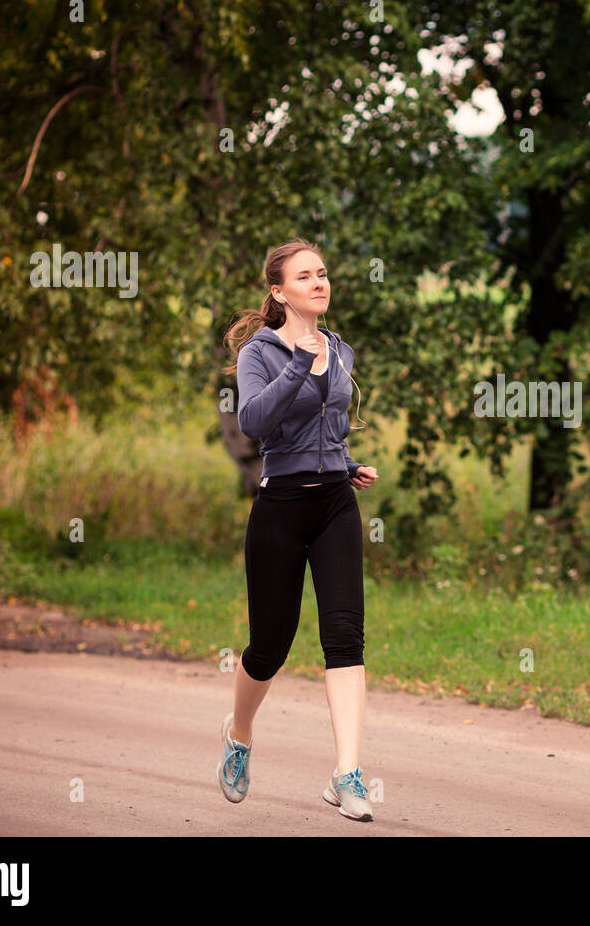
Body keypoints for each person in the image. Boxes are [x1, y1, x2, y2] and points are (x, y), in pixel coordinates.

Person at [217, 237, 378, 821]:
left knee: (344, 636)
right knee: (270, 645)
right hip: (279, 508)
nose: (319, 283)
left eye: (323, 273)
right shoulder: (262, 353)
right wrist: (298, 363)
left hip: (334, 503)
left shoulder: (342, 351)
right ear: (279, 291)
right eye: (305, 276)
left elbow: (326, 428)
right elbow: (257, 422)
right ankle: (239, 736)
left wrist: (345, 462)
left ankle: (348, 773)